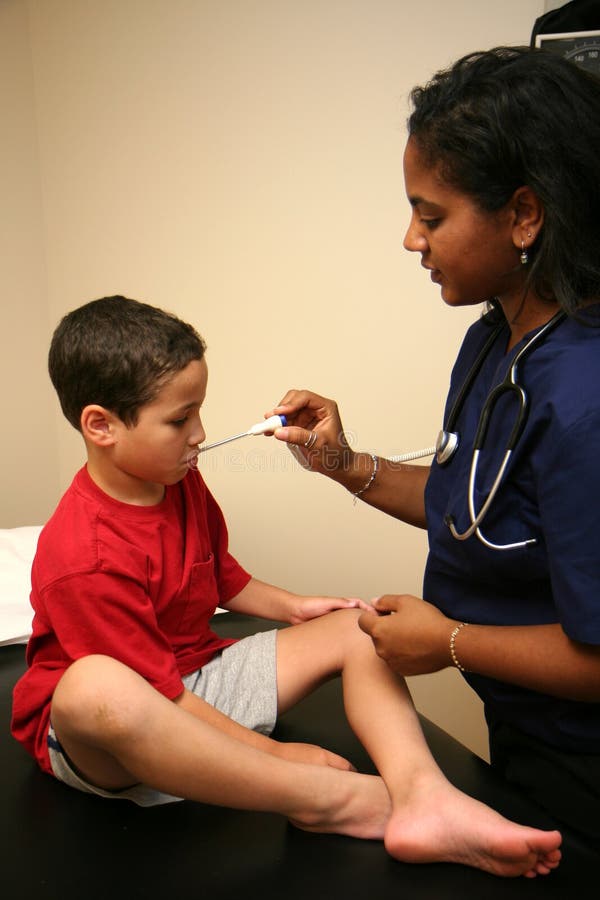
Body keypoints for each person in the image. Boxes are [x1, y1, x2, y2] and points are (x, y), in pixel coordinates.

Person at [11, 296, 561, 878]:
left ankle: (424, 795)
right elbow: (156, 693)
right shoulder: (83, 555)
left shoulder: (176, 479)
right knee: (91, 688)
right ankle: (324, 800)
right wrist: (275, 753)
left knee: (358, 626)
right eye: (179, 420)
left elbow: (219, 574)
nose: (199, 434)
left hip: (193, 681)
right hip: (125, 732)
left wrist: (295, 606)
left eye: (198, 411)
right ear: (101, 425)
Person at [267, 46, 600, 847]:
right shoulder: (495, 341)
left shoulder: (584, 396)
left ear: (524, 214)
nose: (411, 239)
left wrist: (446, 642)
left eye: (432, 214)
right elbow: (478, 513)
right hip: (525, 735)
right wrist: (346, 467)